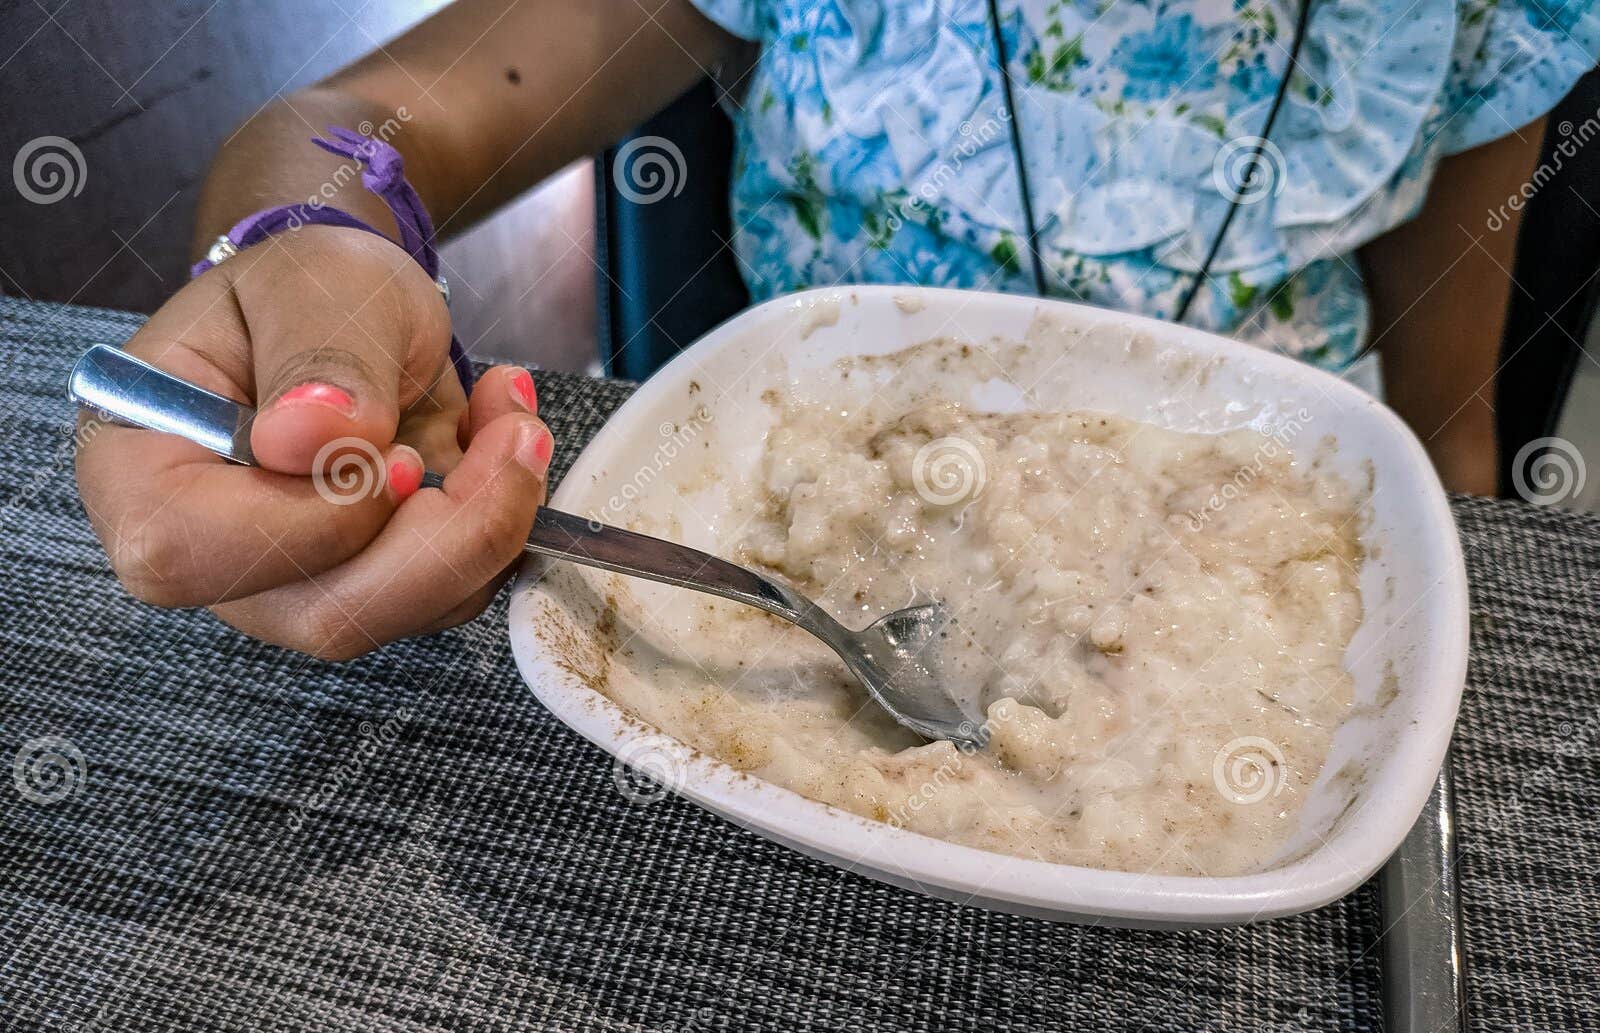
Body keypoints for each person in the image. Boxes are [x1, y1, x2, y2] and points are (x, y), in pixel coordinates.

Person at [77, 0, 1600, 660]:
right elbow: (362, 119)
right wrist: (303, 250)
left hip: (1263, 566)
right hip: (796, 540)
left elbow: (1445, 427)